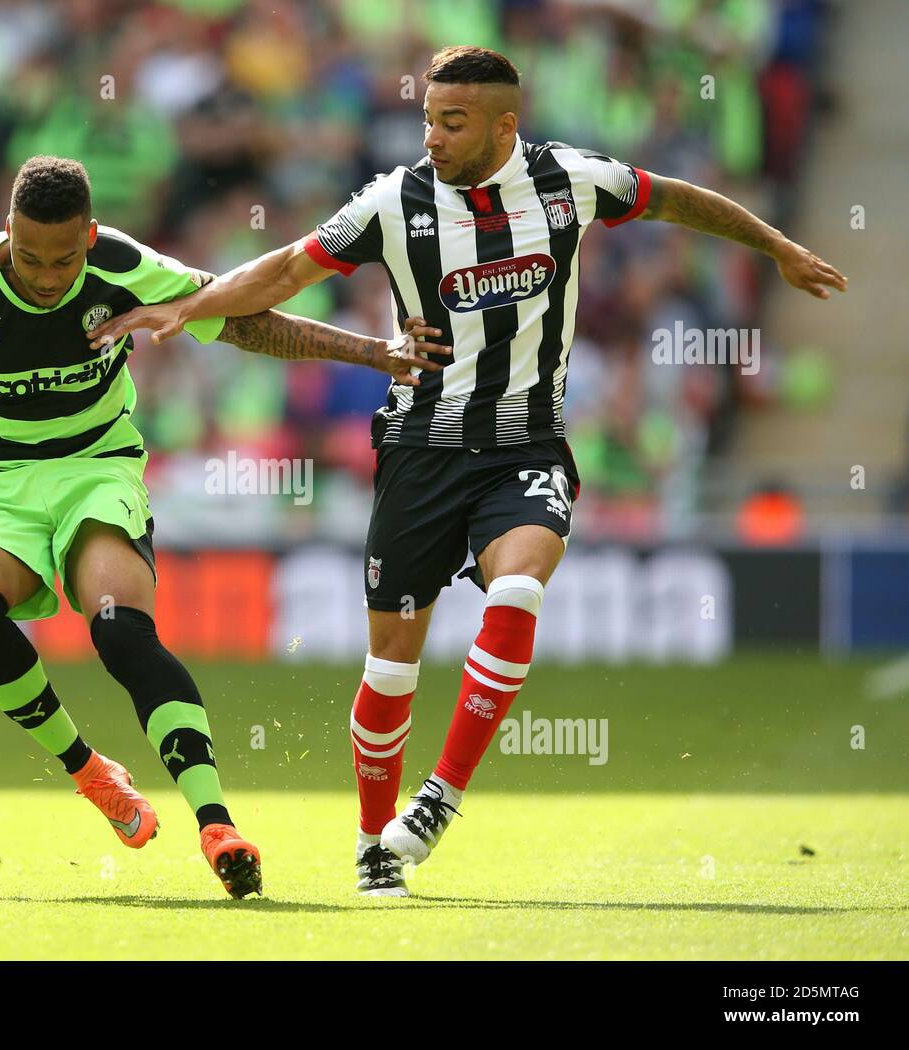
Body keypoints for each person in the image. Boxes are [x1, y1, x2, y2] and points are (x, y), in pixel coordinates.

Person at [88, 46, 848, 896]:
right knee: (390, 670)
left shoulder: (571, 181)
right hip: (419, 454)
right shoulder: (393, 201)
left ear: (503, 125)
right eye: (428, 119)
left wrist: (776, 246)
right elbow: (288, 269)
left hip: (525, 447)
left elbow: (676, 199)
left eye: (453, 122)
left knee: (519, 590)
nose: (434, 136)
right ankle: (375, 840)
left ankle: (440, 797)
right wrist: (191, 304)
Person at [0, 155, 443, 899]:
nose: (46, 275)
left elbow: (244, 322)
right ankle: (90, 772)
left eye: (65, 259)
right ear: (7, 230)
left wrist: (372, 353)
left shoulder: (124, 265)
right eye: (30, 257)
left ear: (90, 236)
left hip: (97, 472)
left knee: (119, 630)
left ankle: (216, 822)